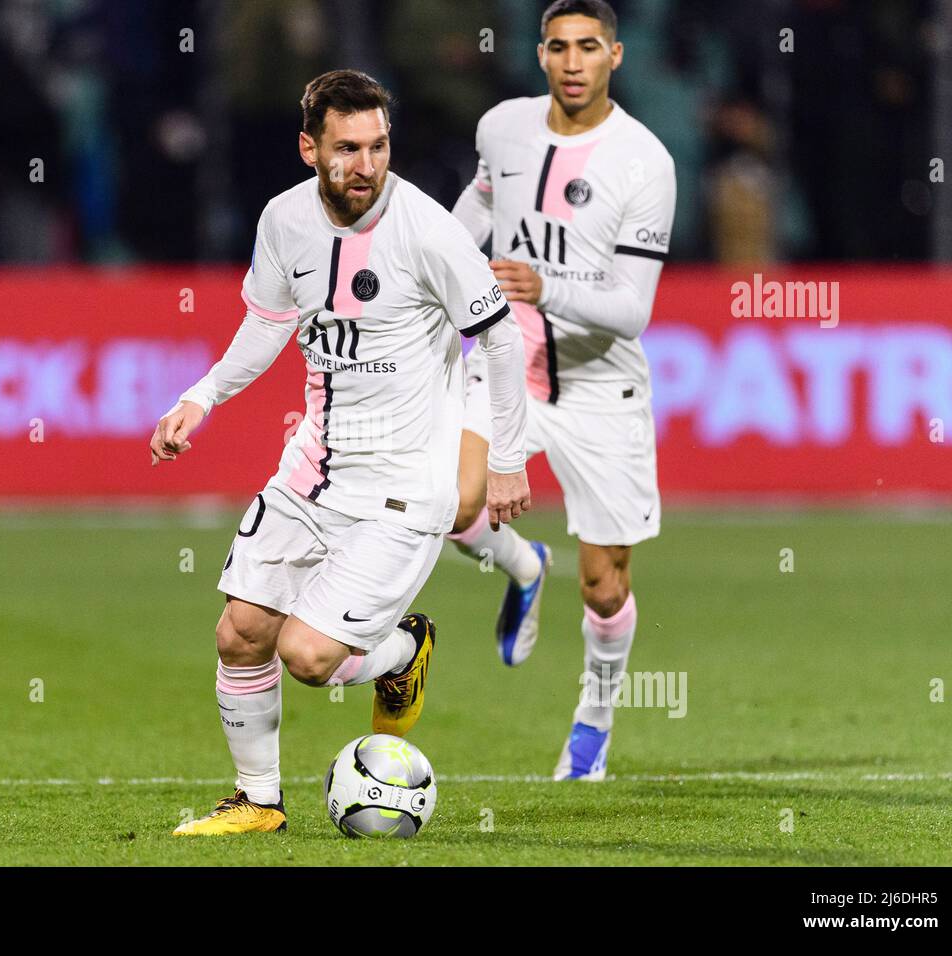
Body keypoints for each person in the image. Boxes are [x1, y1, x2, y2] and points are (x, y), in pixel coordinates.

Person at [150, 70, 531, 834]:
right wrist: (201, 397)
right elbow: (267, 326)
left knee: (308, 655)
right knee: (240, 632)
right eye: (348, 148)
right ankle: (258, 803)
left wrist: (507, 457)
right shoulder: (283, 221)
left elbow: (498, 334)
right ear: (308, 148)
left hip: (402, 483)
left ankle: (399, 653)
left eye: (379, 146)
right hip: (314, 466)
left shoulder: (426, 230)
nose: (367, 165)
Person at [447, 0, 677, 780]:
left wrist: (545, 287)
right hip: (507, 364)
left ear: (616, 54)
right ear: (539, 54)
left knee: (605, 588)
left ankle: (594, 722)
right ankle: (521, 565)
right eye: (557, 47)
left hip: (598, 388)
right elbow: (479, 204)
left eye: (588, 47)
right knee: (451, 504)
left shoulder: (646, 162)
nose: (572, 62)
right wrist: (439, 272)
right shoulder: (502, 127)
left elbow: (631, 310)